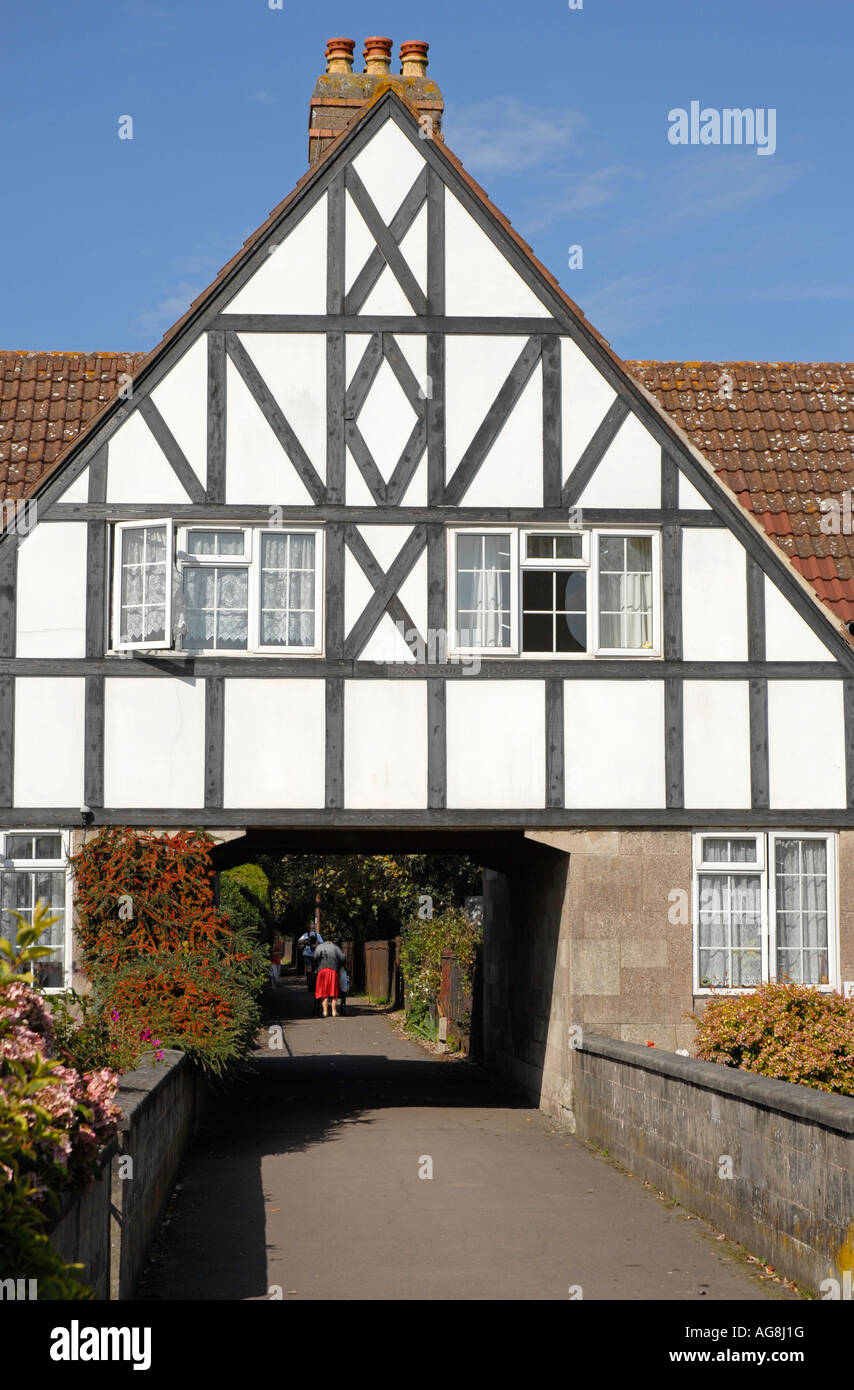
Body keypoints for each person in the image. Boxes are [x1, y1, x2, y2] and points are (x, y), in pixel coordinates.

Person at [313, 937, 346, 1018]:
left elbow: (314, 958)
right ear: (332, 941)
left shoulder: (319, 947)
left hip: (322, 972)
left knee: (324, 992)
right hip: (333, 971)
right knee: (333, 992)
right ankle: (334, 1011)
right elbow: (342, 958)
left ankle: (325, 1012)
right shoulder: (335, 947)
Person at [298, 927, 323, 992]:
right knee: (309, 970)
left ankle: (314, 984)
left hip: (315, 955)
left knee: (315, 971)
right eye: (310, 928)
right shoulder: (306, 935)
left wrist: (316, 945)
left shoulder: (318, 935)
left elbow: (322, 943)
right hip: (307, 954)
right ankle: (309, 983)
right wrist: (306, 939)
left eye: (313, 928)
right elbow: (299, 941)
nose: (311, 929)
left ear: (314, 929)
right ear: (309, 929)